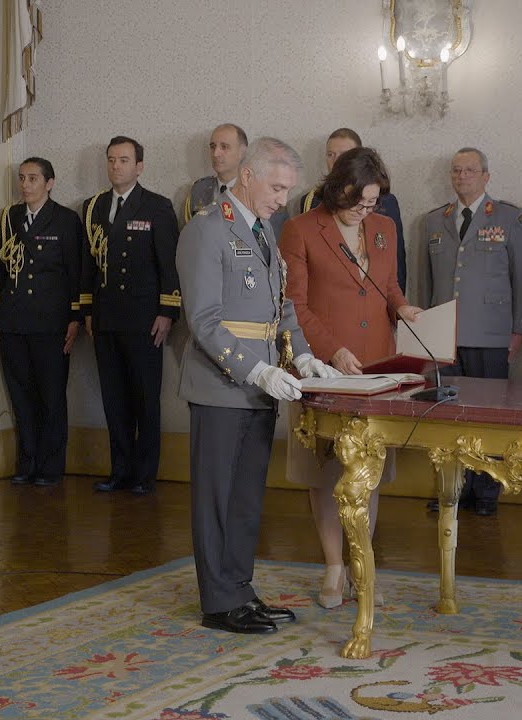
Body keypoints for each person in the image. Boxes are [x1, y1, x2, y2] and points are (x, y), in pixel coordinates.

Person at [177, 135, 338, 634]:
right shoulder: (207, 230)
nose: (282, 198)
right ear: (247, 176)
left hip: (260, 387)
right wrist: (258, 370)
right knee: (218, 497)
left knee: (246, 497)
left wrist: (305, 358)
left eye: (288, 188)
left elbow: (282, 308)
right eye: (276, 186)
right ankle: (218, 601)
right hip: (222, 385)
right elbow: (204, 321)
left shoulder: (266, 230)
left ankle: (240, 590)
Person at [279, 147, 423, 608]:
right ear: (339, 188)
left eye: (373, 203)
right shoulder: (300, 229)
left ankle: (362, 564)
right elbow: (294, 305)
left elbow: (390, 285)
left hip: (378, 367)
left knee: (369, 472)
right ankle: (334, 566)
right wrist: (328, 350)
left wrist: (404, 309)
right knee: (323, 472)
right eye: (360, 202)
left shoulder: (384, 228)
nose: (367, 211)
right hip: (325, 369)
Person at [419, 147, 522, 517]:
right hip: (445, 337)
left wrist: (519, 330)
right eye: (456, 170)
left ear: (486, 176)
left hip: (491, 336)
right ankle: (450, 489)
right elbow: (425, 283)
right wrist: (423, 331)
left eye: (470, 170)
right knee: (445, 417)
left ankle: (485, 493)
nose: (462, 176)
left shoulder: (509, 217)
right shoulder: (435, 220)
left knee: (487, 416)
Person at [79, 136, 180, 496]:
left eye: (123, 160)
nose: (116, 166)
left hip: (143, 321)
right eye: (111, 159)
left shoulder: (156, 206)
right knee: (114, 399)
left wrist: (168, 311)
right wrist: (88, 310)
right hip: (106, 320)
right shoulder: (93, 208)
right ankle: (119, 470)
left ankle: (144, 475)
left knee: (144, 400)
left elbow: (168, 265)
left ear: (139, 166)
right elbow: (88, 265)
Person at [0, 157, 84, 487]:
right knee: (21, 396)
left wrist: (75, 317)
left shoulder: (65, 220)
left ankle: (50, 466)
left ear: (49, 183)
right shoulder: (10, 217)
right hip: (15, 320)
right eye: (22, 178)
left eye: (33, 179)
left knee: (51, 396)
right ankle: (26, 461)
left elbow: (76, 272)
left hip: (50, 322)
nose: (26, 185)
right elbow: (2, 270)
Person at [276, 128, 408, 292]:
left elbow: (394, 271)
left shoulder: (384, 203)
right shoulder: (310, 201)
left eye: (344, 155)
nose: (337, 161)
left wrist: (399, 307)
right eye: (330, 154)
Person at [182, 123, 248, 225]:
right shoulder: (199, 189)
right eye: (213, 147)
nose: (216, 153)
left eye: (224, 147)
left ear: (242, 152)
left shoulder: (254, 190)